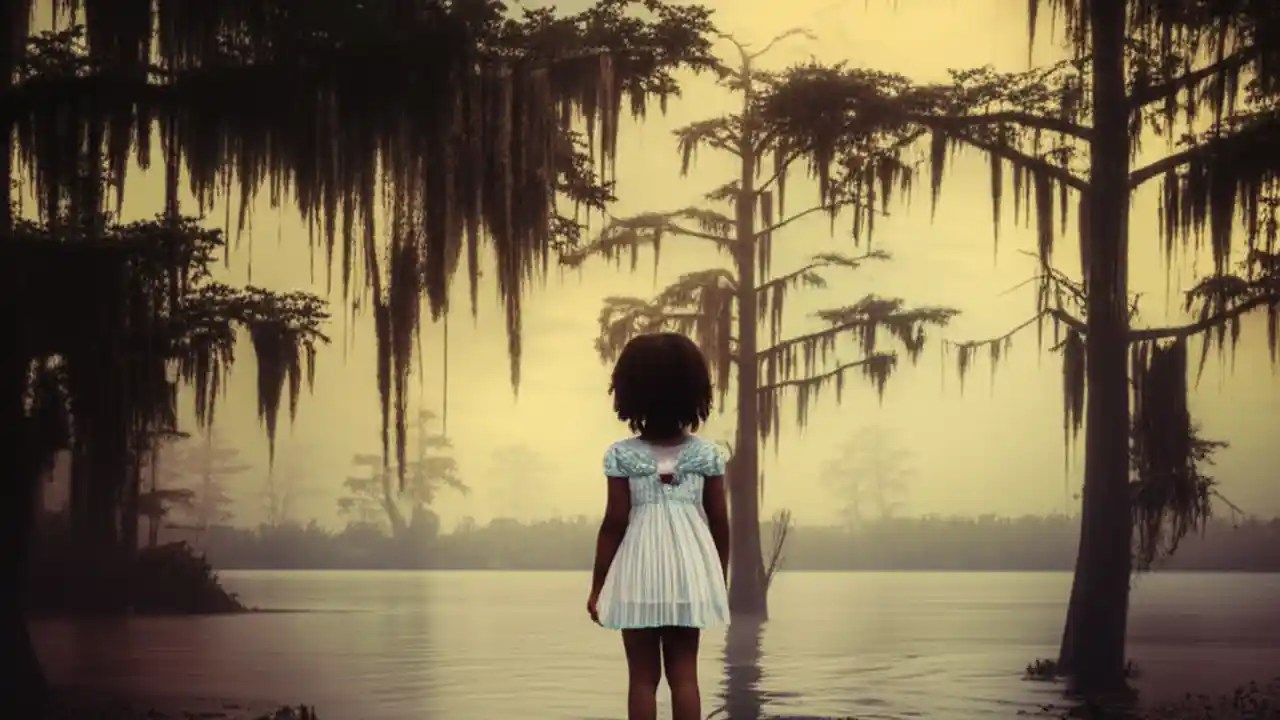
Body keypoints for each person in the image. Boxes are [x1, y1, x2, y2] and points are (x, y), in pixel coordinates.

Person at [587, 332, 732, 720]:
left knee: (642, 678)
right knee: (686, 675)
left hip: (638, 570)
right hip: (689, 571)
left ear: (630, 393)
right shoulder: (707, 454)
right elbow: (719, 520)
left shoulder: (621, 455)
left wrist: (598, 587)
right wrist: (718, 575)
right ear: (693, 392)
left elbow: (615, 523)